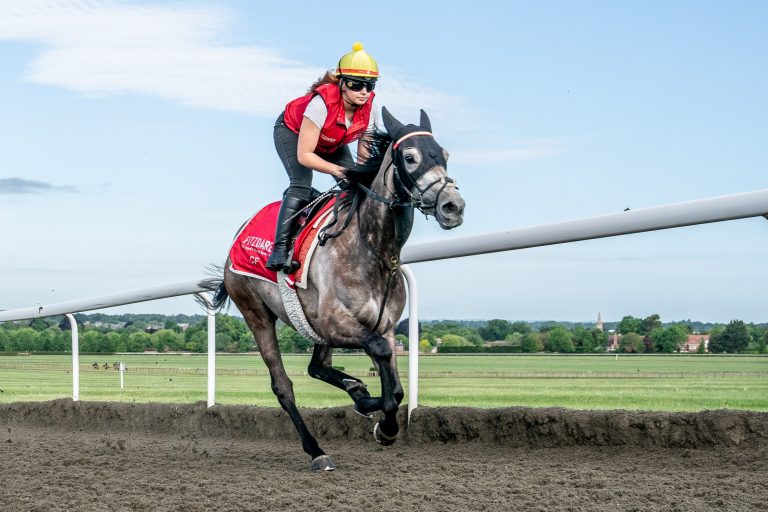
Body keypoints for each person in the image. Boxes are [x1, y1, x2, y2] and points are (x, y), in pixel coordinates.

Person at [266, 42, 381, 273]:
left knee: (355, 185)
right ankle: (279, 250)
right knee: (300, 184)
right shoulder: (320, 104)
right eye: (357, 84)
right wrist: (338, 171)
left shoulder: (371, 109)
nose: (364, 92)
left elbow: (363, 161)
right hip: (293, 132)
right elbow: (305, 156)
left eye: (369, 86)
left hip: (331, 139)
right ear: (342, 83)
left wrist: (357, 179)